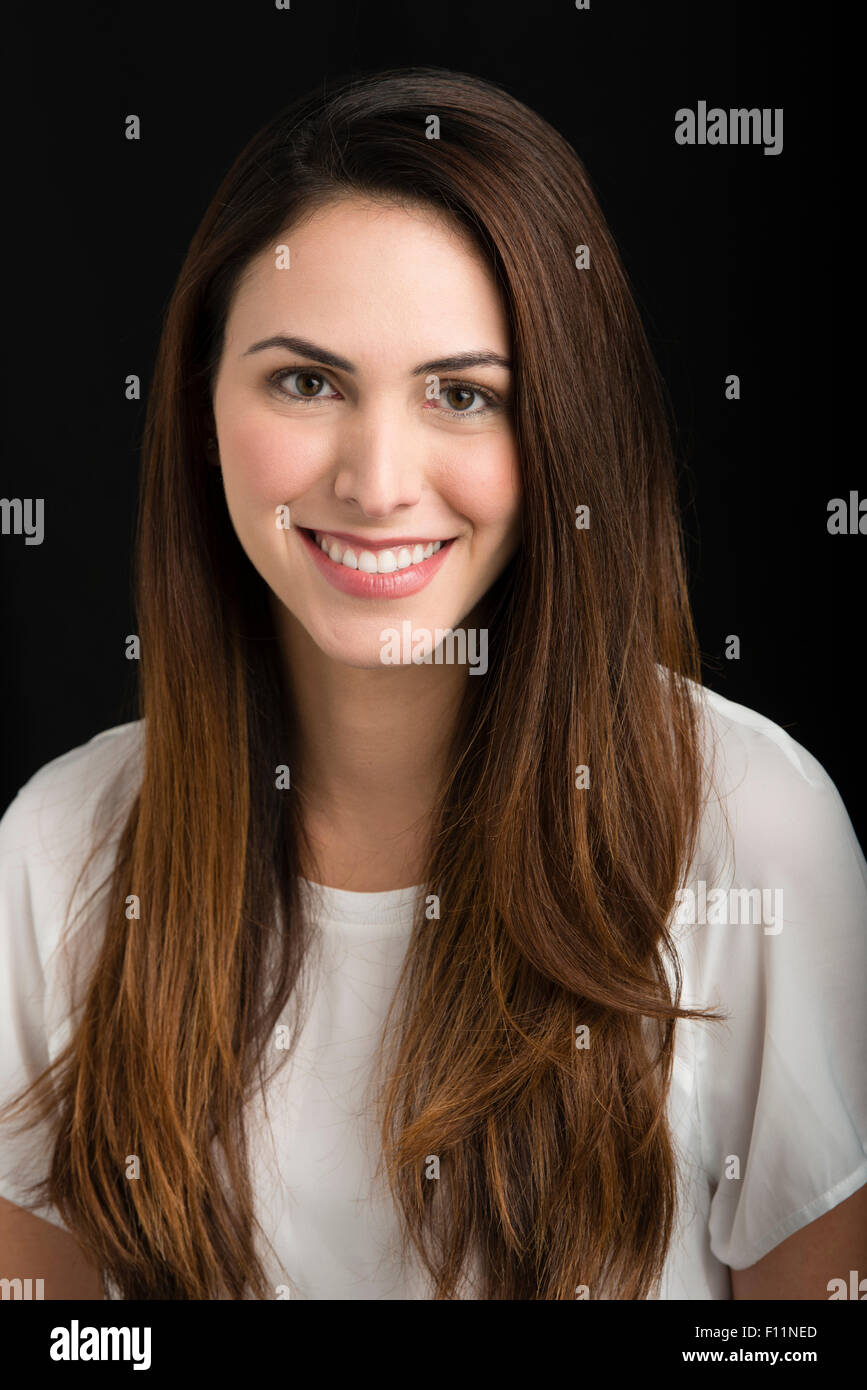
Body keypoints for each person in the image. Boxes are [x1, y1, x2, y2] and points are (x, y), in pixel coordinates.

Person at [1, 67, 865, 1301]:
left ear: (561, 431)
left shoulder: (752, 830)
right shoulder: (53, 854)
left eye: (464, 396)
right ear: (200, 408)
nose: (380, 478)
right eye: (308, 381)